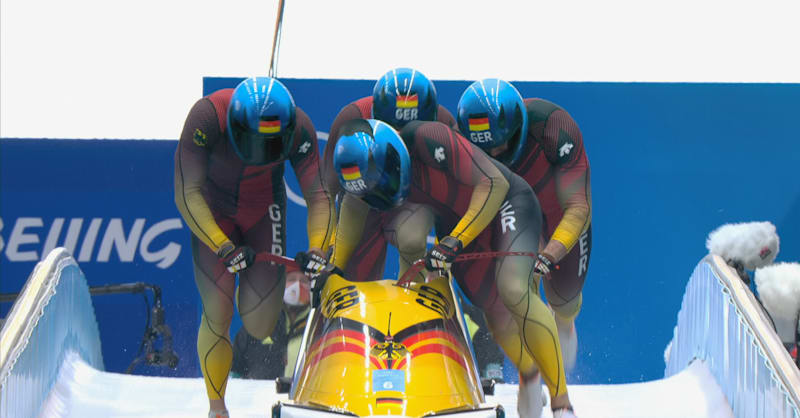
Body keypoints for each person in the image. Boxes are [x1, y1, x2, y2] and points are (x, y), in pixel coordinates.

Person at [329, 118, 576, 417]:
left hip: (506, 204)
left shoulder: (430, 138)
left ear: (395, 157)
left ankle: (562, 404)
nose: (380, 193)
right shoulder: (362, 181)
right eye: (370, 191)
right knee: (491, 312)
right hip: (458, 228)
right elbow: (349, 225)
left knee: (512, 289)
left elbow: (494, 183)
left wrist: (455, 241)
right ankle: (529, 373)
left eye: (385, 182)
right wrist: (332, 271)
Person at [174, 76, 334, 418]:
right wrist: (222, 245)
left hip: (264, 210)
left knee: (260, 325)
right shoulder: (206, 117)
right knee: (218, 311)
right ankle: (217, 408)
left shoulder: (299, 127)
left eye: (272, 145)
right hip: (213, 214)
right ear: (234, 127)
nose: (262, 155)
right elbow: (187, 193)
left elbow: (319, 196)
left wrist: (319, 249)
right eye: (254, 143)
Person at [457, 79, 592, 376]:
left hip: (560, 215)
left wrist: (551, 252)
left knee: (564, 304)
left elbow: (578, 207)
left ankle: (567, 370)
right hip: (512, 213)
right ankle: (536, 379)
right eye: (483, 149)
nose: (493, 155)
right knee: (516, 297)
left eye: (499, 145)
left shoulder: (554, 128)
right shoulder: (459, 145)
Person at [321, 68, 457, 282]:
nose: (402, 136)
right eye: (394, 129)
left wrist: (445, 247)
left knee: (412, 243)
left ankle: (414, 291)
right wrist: (328, 246)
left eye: (411, 128)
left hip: (414, 198)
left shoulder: (444, 126)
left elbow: (450, 195)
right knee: (351, 278)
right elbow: (327, 190)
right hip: (365, 197)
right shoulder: (352, 119)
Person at [231, 272, 311, 379]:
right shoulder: (259, 324)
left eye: (304, 281)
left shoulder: (318, 326)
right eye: (291, 280)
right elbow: (235, 371)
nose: (298, 285)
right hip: (261, 394)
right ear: (280, 285)